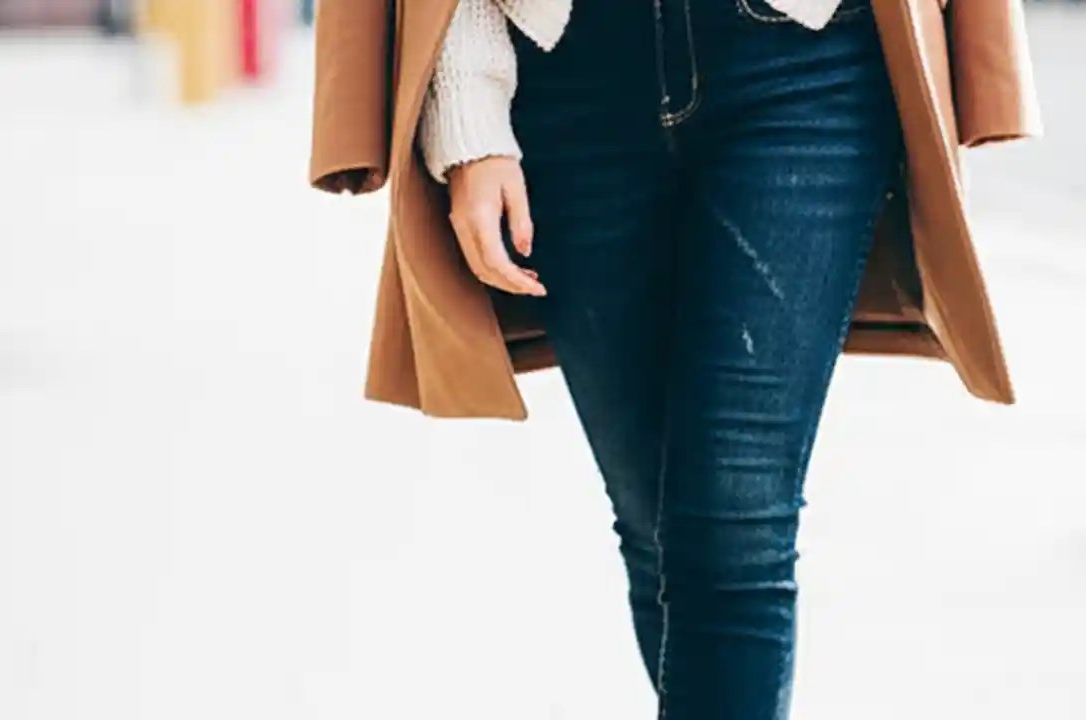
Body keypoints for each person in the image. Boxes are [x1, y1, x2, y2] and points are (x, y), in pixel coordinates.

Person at [308, 1, 1041, 717]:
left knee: (732, 528)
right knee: (659, 526)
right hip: (564, 69)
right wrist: (468, 107)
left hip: (803, 66)